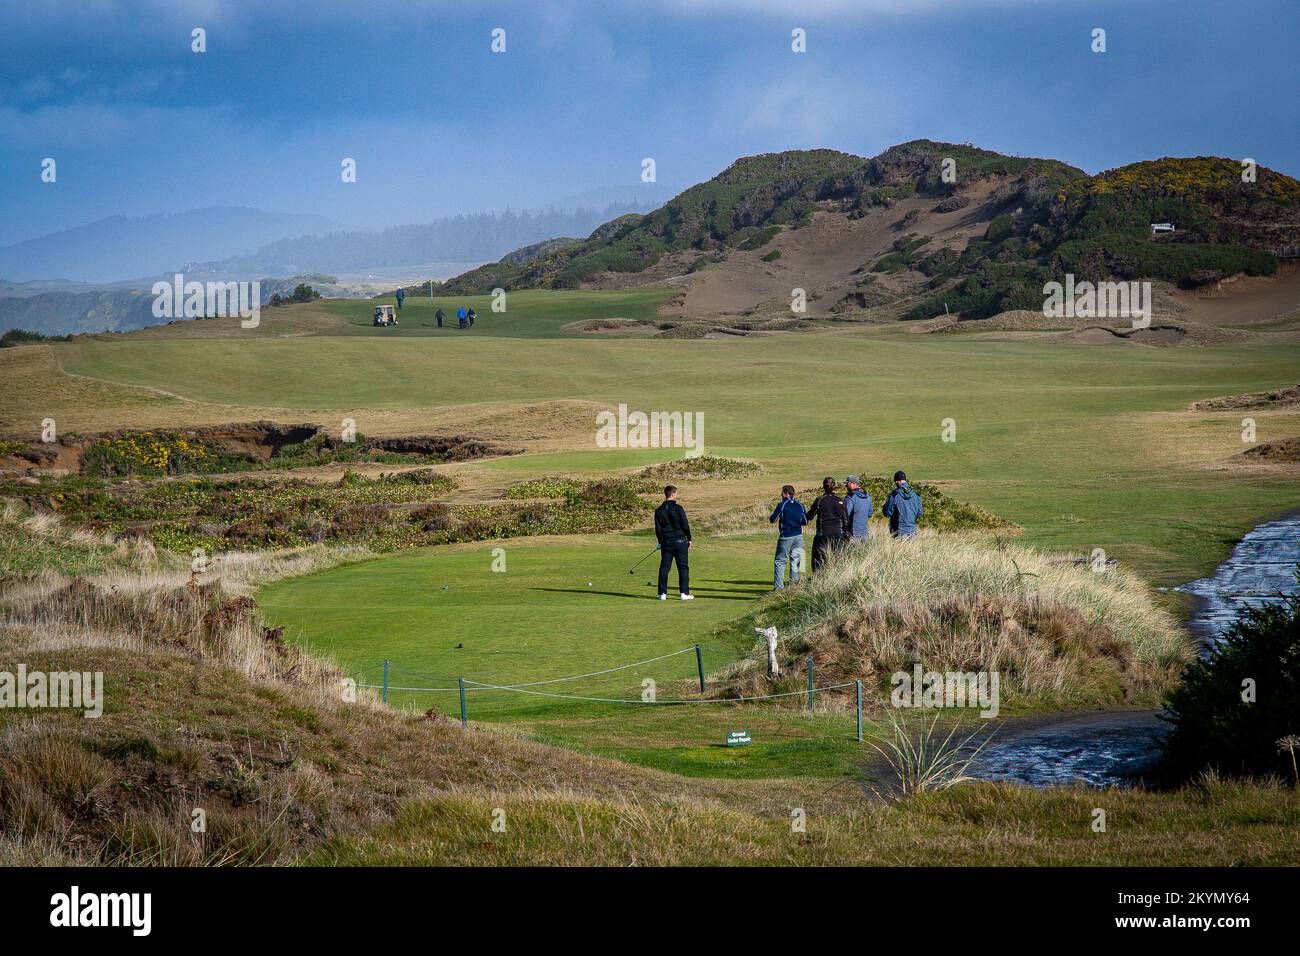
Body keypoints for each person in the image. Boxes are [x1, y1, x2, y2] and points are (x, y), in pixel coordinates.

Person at [654, 485, 693, 601]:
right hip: (680, 541)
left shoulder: (658, 510)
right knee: (683, 568)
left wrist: (660, 542)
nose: (677, 495)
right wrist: (689, 538)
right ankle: (684, 593)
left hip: (666, 542)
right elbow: (685, 524)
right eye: (676, 493)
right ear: (673, 494)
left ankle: (662, 594)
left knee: (664, 568)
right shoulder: (679, 508)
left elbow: (658, 529)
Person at [769, 484, 808, 590]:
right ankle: (794, 587)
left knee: (780, 561)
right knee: (796, 560)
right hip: (798, 536)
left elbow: (773, 519)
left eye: (782, 492)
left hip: (786, 536)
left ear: (785, 493)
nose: (781, 494)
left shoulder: (782, 504)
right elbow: (805, 521)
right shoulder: (800, 505)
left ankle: (778, 588)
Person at [807, 477, 847, 572]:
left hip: (823, 534)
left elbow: (810, 516)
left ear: (824, 487)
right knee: (837, 559)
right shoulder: (840, 500)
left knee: (819, 560)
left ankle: (819, 580)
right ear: (834, 487)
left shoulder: (820, 500)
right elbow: (845, 520)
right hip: (837, 533)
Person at [882, 470, 923, 537]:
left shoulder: (894, 495)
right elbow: (919, 513)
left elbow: (887, 512)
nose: (895, 483)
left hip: (898, 531)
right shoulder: (916, 495)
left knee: (899, 547)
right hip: (913, 532)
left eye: (895, 481)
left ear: (898, 481)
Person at [843, 475, 872, 543]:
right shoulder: (867, 496)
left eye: (847, 483)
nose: (846, 485)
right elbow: (870, 512)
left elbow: (846, 514)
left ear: (853, 484)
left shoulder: (850, 497)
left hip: (852, 534)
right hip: (864, 533)